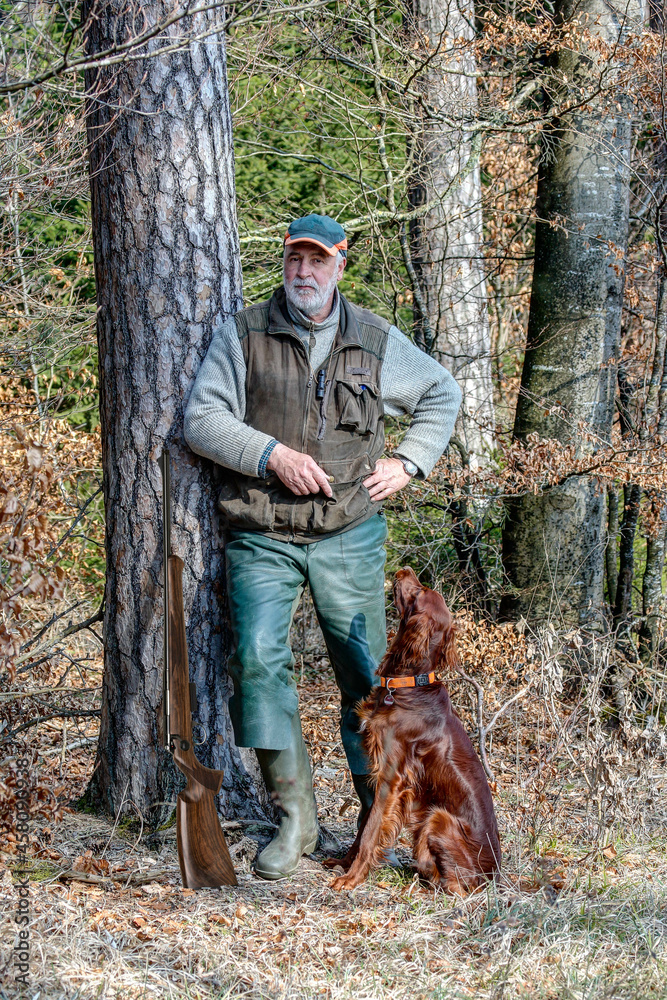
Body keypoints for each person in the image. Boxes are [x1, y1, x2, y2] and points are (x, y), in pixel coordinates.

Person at [184, 214, 462, 879]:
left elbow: (440, 392)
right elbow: (202, 419)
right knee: (256, 663)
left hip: (349, 532)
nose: (302, 273)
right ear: (283, 262)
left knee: (364, 681)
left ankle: (376, 821)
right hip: (262, 531)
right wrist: (270, 455)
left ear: (340, 265)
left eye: (316, 261)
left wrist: (410, 462)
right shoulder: (245, 333)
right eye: (293, 260)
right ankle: (296, 819)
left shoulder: (372, 339)